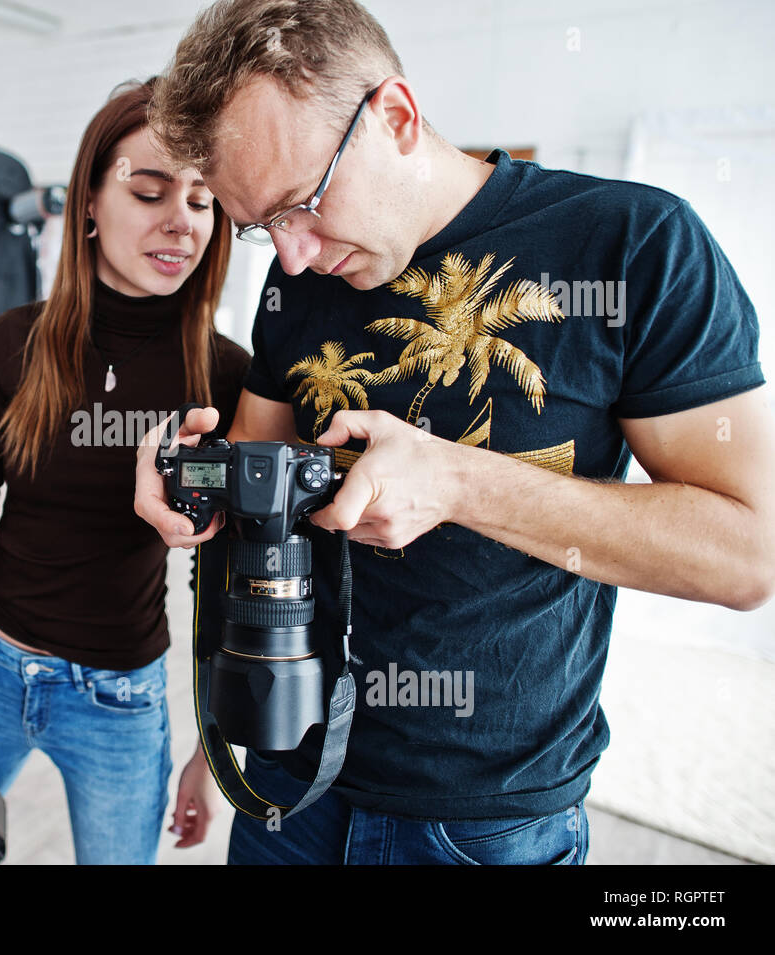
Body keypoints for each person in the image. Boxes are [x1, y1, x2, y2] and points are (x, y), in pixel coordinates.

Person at [134, 0, 773, 864]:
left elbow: (748, 554)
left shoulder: (634, 245)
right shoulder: (301, 276)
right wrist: (193, 479)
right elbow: (261, 470)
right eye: (262, 227)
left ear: (394, 116)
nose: (290, 255)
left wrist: (458, 482)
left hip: (486, 820)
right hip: (288, 768)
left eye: (303, 204)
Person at [0, 77, 250, 864]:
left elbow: (232, 580)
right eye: (149, 189)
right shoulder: (8, 346)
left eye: (202, 200)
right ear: (89, 204)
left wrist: (210, 752)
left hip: (119, 700)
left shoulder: (227, 377)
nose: (181, 221)